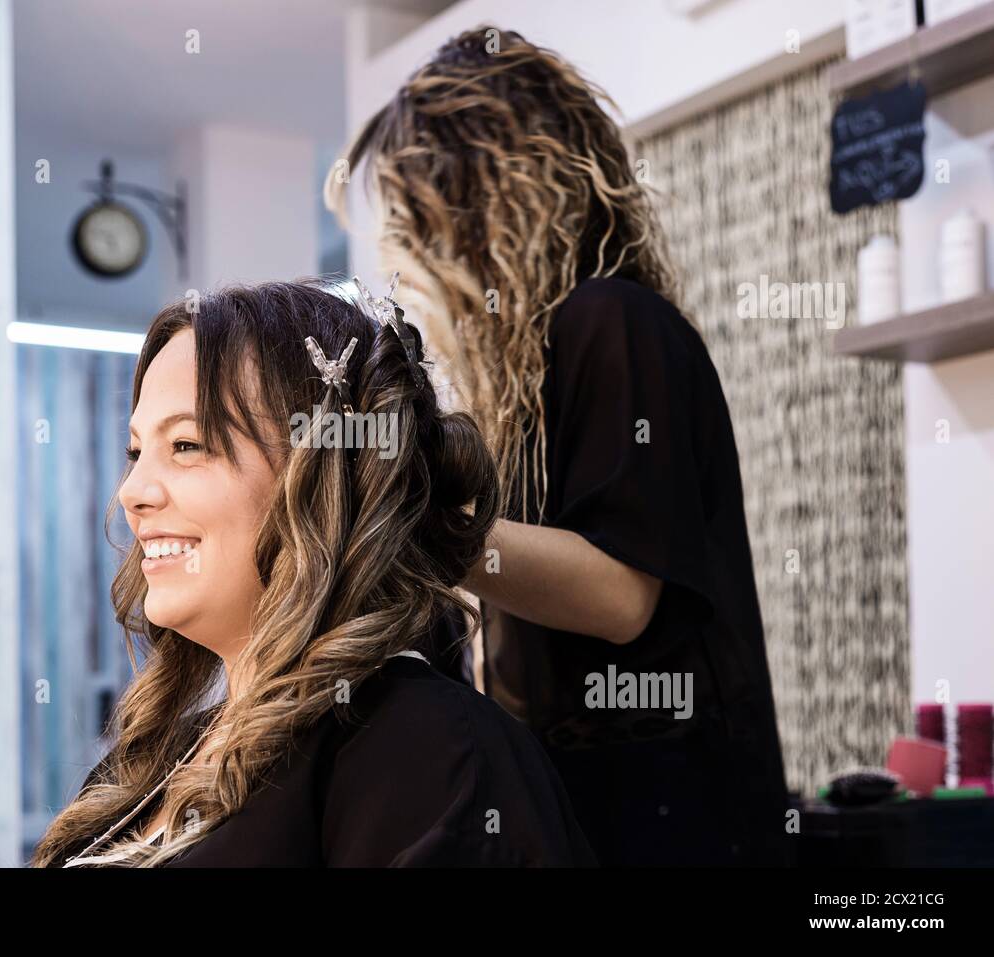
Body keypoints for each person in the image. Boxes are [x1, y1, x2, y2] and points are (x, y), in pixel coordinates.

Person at [330, 26, 791, 866]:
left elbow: (620, 595)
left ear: (482, 199)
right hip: (578, 804)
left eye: (411, 216)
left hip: (668, 819)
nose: (399, 251)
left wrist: (414, 521)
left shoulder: (612, 322)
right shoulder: (523, 381)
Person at [30, 279, 594, 867]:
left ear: (326, 476)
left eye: (188, 445)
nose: (133, 493)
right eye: (136, 451)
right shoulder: (148, 761)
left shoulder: (424, 747)